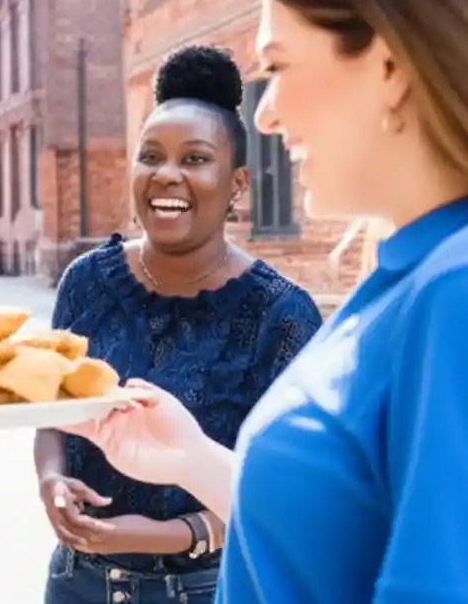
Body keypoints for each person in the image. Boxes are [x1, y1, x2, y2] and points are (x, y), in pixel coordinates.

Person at [62, 0, 468, 602]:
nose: (272, 113)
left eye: (280, 66)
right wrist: (194, 460)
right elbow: (346, 538)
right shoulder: (435, 272)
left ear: (389, 65)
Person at [34, 45, 322, 603]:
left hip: (205, 587)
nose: (167, 175)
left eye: (194, 159)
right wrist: (51, 481)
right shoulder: (86, 281)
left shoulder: (281, 316)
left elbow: (287, 491)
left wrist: (174, 534)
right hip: (77, 583)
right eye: (151, 157)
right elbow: (52, 412)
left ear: (237, 183)